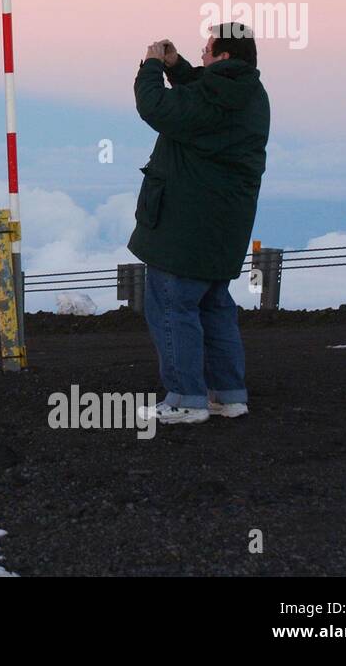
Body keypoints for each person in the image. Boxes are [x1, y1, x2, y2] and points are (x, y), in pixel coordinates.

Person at [128, 23, 270, 424]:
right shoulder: (250, 96)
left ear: (224, 58)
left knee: (174, 307)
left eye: (208, 51)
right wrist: (178, 66)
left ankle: (185, 399)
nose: (203, 56)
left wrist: (153, 67)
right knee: (214, 307)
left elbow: (157, 107)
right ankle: (228, 395)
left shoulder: (215, 97)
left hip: (184, 228)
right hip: (222, 230)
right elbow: (204, 96)